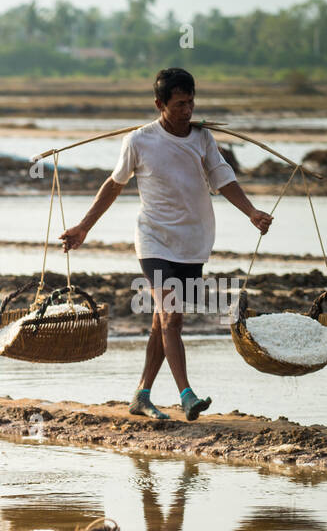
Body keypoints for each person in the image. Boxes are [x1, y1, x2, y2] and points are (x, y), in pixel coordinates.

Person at [59, 68, 273, 421]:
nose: (187, 111)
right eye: (178, 104)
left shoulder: (203, 138)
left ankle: (141, 395)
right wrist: (84, 227)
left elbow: (222, 178)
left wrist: (251, 212)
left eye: (191, 103)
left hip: (194, 241)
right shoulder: (139, 141)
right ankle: (186, 395)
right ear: (159, 104)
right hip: (154, 240)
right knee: (171, 316)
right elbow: (114, 184)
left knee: (163, 323)